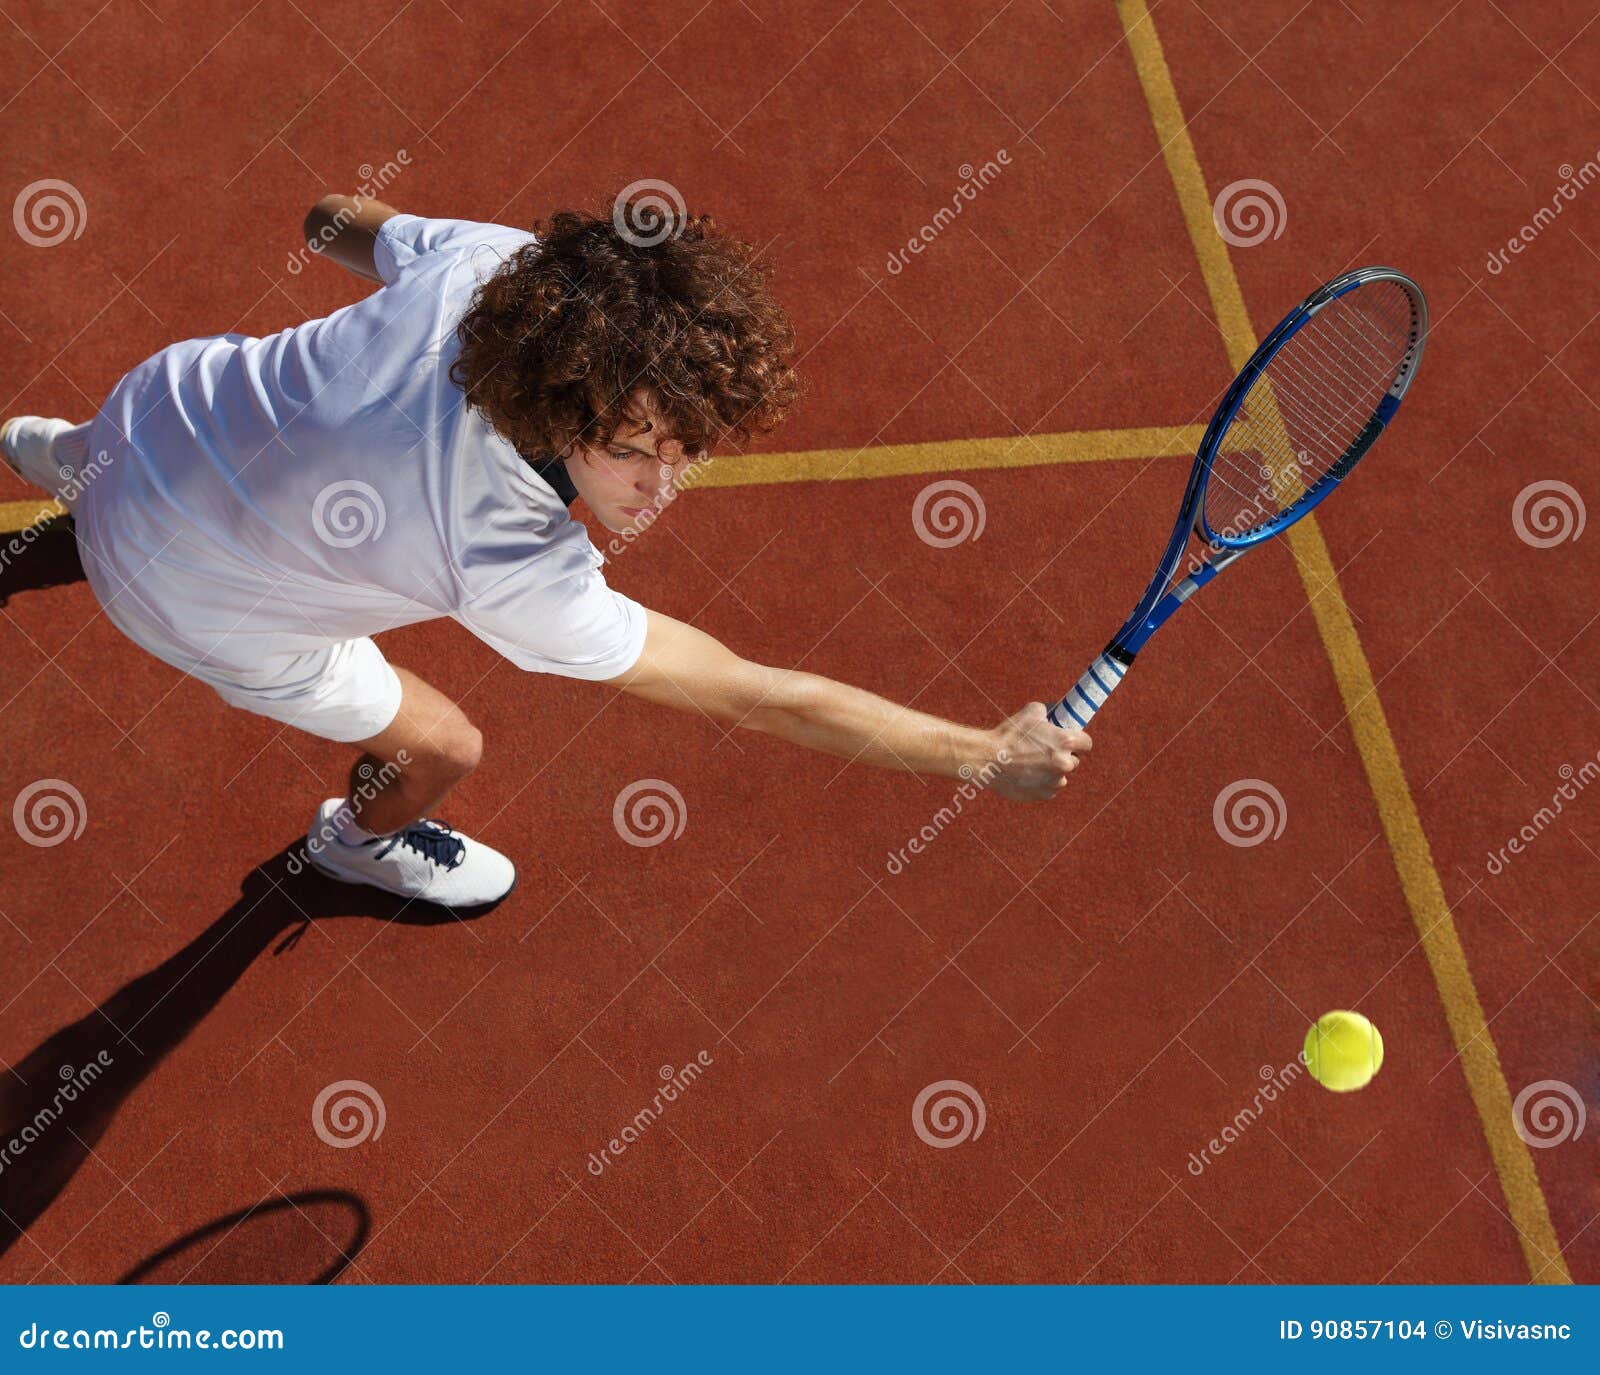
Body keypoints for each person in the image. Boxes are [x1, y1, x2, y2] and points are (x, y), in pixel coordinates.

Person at [0, 192, 1091, 909]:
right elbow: (749, 692)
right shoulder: (509, 561)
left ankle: (48, 456)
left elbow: (333, 217)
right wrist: (972, 756)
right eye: (631, 454)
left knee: (111, 458)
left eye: (681, 447)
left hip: (159, 405)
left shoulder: (498, 272)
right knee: (444, 746)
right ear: (565, 405)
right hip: (178, 592)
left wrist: (351, 280)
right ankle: (355, 846)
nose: (663, 487)